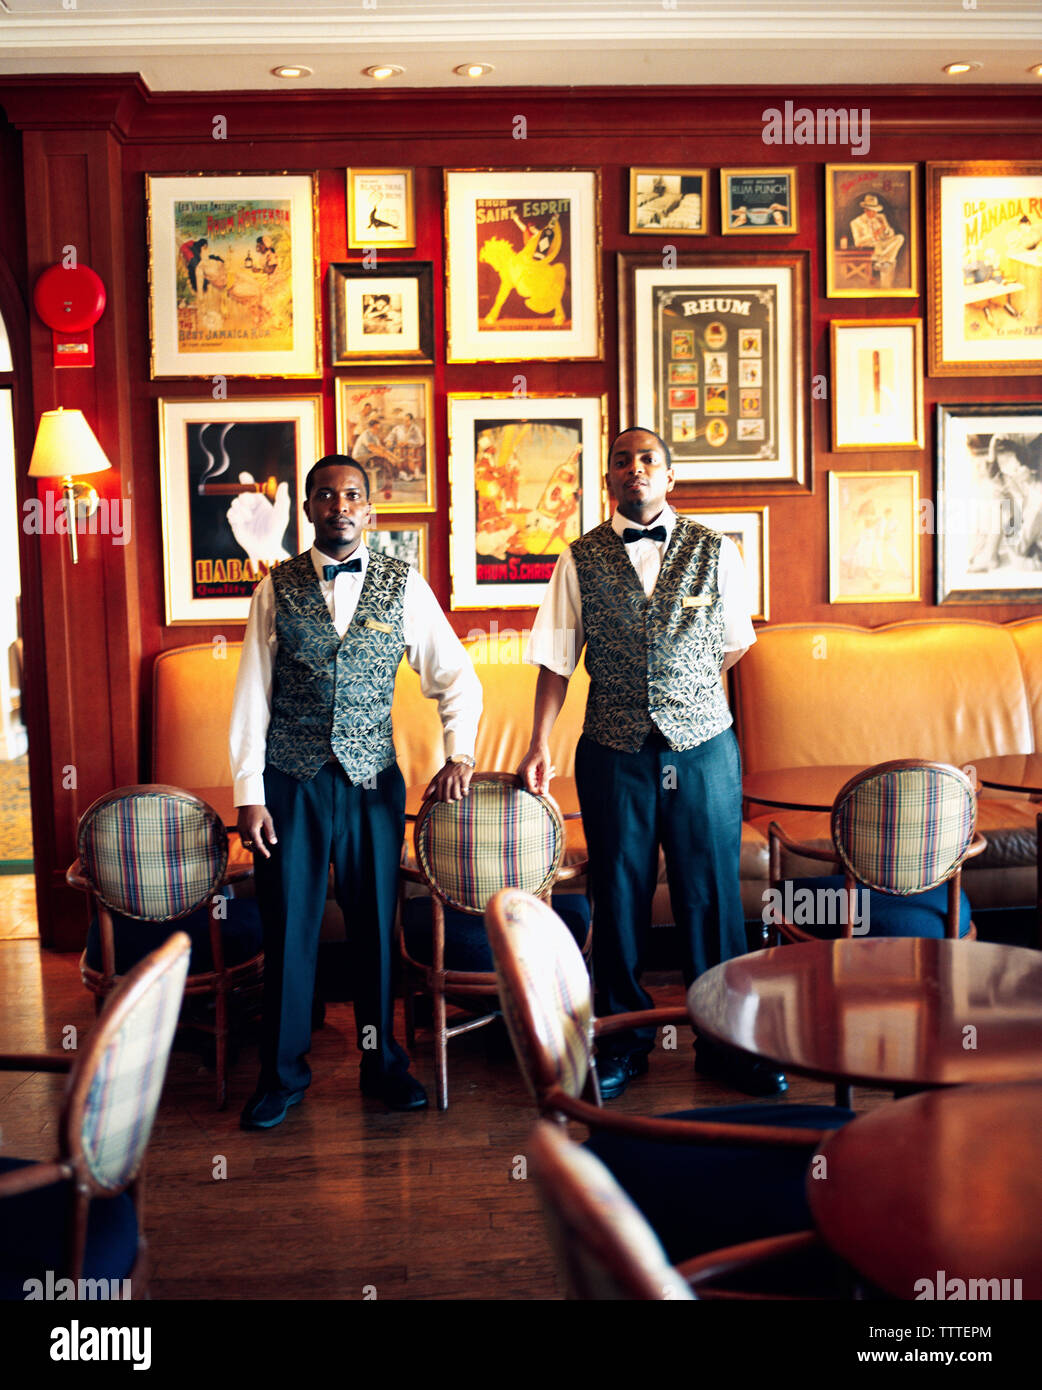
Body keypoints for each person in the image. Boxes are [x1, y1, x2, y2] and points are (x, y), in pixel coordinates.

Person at [519, 427, 784, 1100]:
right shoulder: (577, 559)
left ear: (670, 477)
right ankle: (623, 1042)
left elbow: (731, 648)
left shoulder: (716, 551)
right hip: (613, 750)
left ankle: (725, 1044)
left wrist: (680, 694)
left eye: (648, 460)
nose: (634, 469)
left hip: (703, 751)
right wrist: (538, 741)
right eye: (621, 460)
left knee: (712, 895)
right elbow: (556, 659)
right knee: (619, 893)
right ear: (607, 479)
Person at [231, 455, 481, 1128]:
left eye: (352, 496)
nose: (339, 505)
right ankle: (280, 1076)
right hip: (292, 784)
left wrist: (460, 752)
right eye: (325, 495)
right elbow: (252, 693)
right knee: (290, 928)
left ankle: (383, 1065)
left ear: (369, 510)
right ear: (308, 509)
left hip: (373, 785)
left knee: (377, 925)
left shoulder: (404, 585)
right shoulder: (274, 589)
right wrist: (249, 791)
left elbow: (457, 678)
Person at [849, 193, 904, 289]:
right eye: (871, 211)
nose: (874, 214)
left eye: (875, 211)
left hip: (884, 246)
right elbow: (857, 242)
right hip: (871, 248)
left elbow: (891, 236)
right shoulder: (856, 222)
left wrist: (885, 228)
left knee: (900, 238)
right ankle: (885, 286)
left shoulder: (880, 217)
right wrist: (872, 235)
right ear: (865, 210)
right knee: (890, 261)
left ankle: (881, 261)